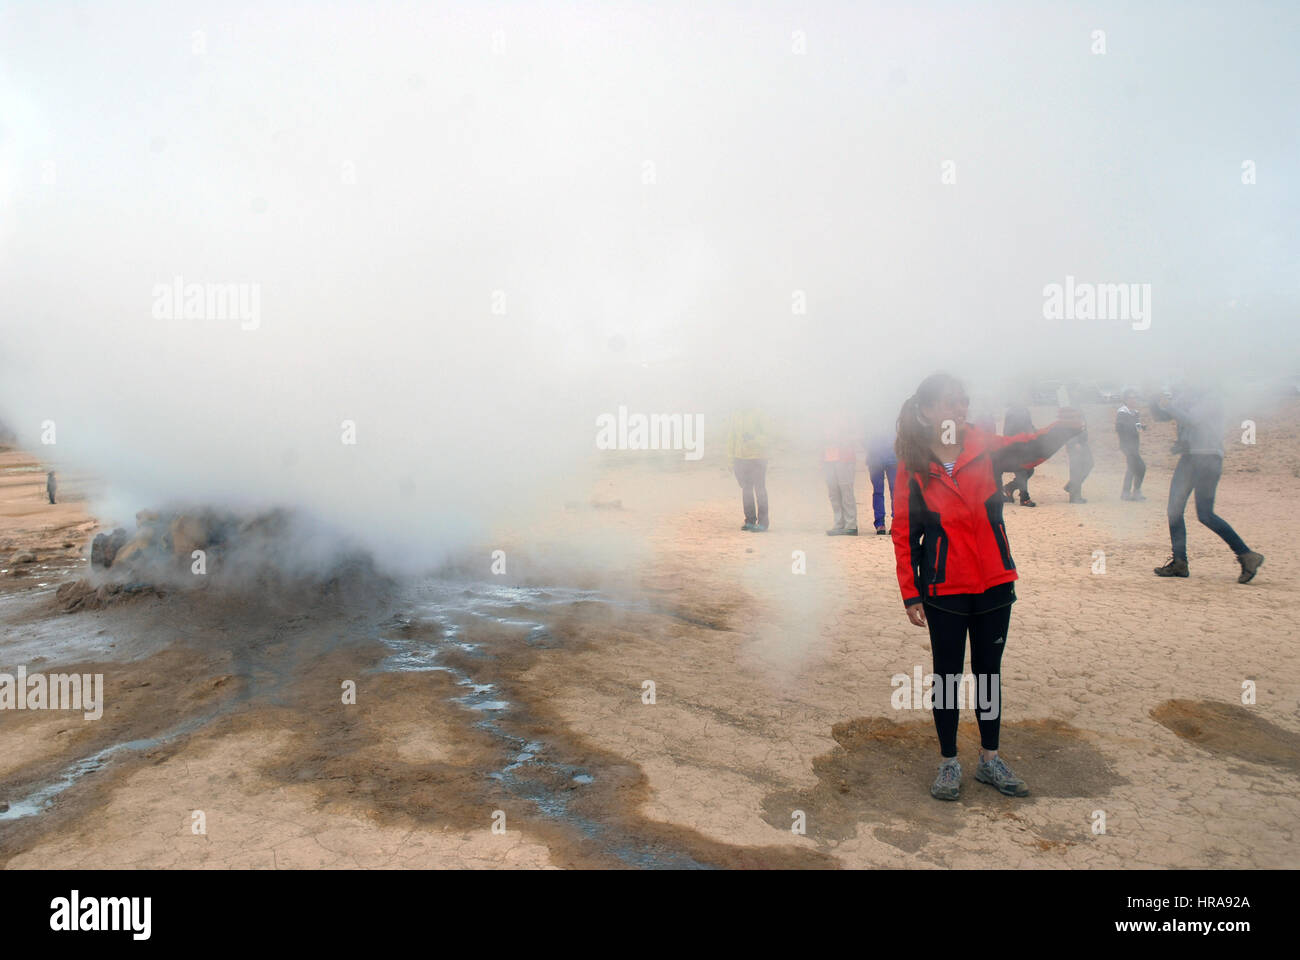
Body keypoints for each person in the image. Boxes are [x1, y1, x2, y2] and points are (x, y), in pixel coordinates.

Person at [891, 372, 1083, 801]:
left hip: (995, 580)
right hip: (944, 587)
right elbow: (903, 531)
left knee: (989, 675)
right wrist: (910, 591)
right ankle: (947, 763)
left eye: (963, 402)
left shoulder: (985, 445)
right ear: (925, 412)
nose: (959, 410)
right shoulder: (915, 464)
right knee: (946, 676)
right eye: (948, 403)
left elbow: (1028, 448)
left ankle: (990, 759)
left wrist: (1064, 429)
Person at [1150, 385, 1263, 582]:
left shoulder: (1213, 395)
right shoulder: (1188, 392)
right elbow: (1166, 416)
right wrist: (1154, 400)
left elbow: (1192, 419)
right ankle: (1179, 562)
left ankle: (1246, 555)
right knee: (1174, 511)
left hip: (1207, 459)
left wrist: (1168, 405)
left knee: (1205, 515)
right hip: (1190, 458)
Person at [727, 408, 771, 532]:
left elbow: (768, 437)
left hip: (758, 457)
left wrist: (753, 438)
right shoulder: (736, 413)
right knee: (746, 489)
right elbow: (731, 437)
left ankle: (763, 523)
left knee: (759, 489)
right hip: (740, 458)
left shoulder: (760, 413)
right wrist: (731, 459)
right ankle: (750, 520)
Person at [822, 415, 858, 535]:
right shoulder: (822, 417)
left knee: (846, 490)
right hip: (828, 458)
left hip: (845, 457)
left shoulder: (847, 416)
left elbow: (853, 436)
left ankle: (851, 524)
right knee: (833, 492)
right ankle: (839, 523)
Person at [1000, 401, 1037, 506]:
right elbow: (1008, 431)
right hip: (1015, 446)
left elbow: (1029, 425)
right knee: (1022, 470)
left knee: (1030, 470)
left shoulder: (1025, 410)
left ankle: (1009, 488)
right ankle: (1024, 498)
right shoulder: (1012, 412)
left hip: (1025, 445)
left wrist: (1035, 432)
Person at [1115, 389, 1146, 501]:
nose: (1133, 400)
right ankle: (1135, 492)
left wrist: (1141, 428)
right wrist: (1133, 427)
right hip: (1127, 445)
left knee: (1132, 468)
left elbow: (1136, 427)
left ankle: (1127, 493)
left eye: (1134, 397)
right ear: (1125, 400)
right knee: (1141, 467)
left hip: (1134, 445)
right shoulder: (1122, 412)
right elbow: (1119, 428)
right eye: (1130, 398)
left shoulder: (1135, 412)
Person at [865, 431, 898, 535]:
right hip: (875, 459)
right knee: (878, 491)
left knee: (895, 491)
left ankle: (895, 522)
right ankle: (880, 523)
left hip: (893, 458)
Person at [1063, 407, 1094, 503]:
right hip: (1075, 446)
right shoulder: (1070, 414)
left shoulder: (1081, 412)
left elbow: (1083, 428)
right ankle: (1074, 497)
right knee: (1076, 470)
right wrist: (1074, 443)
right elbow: (1067, 431)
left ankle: (1071, 486)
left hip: (1083, 443)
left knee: (1089, 464)